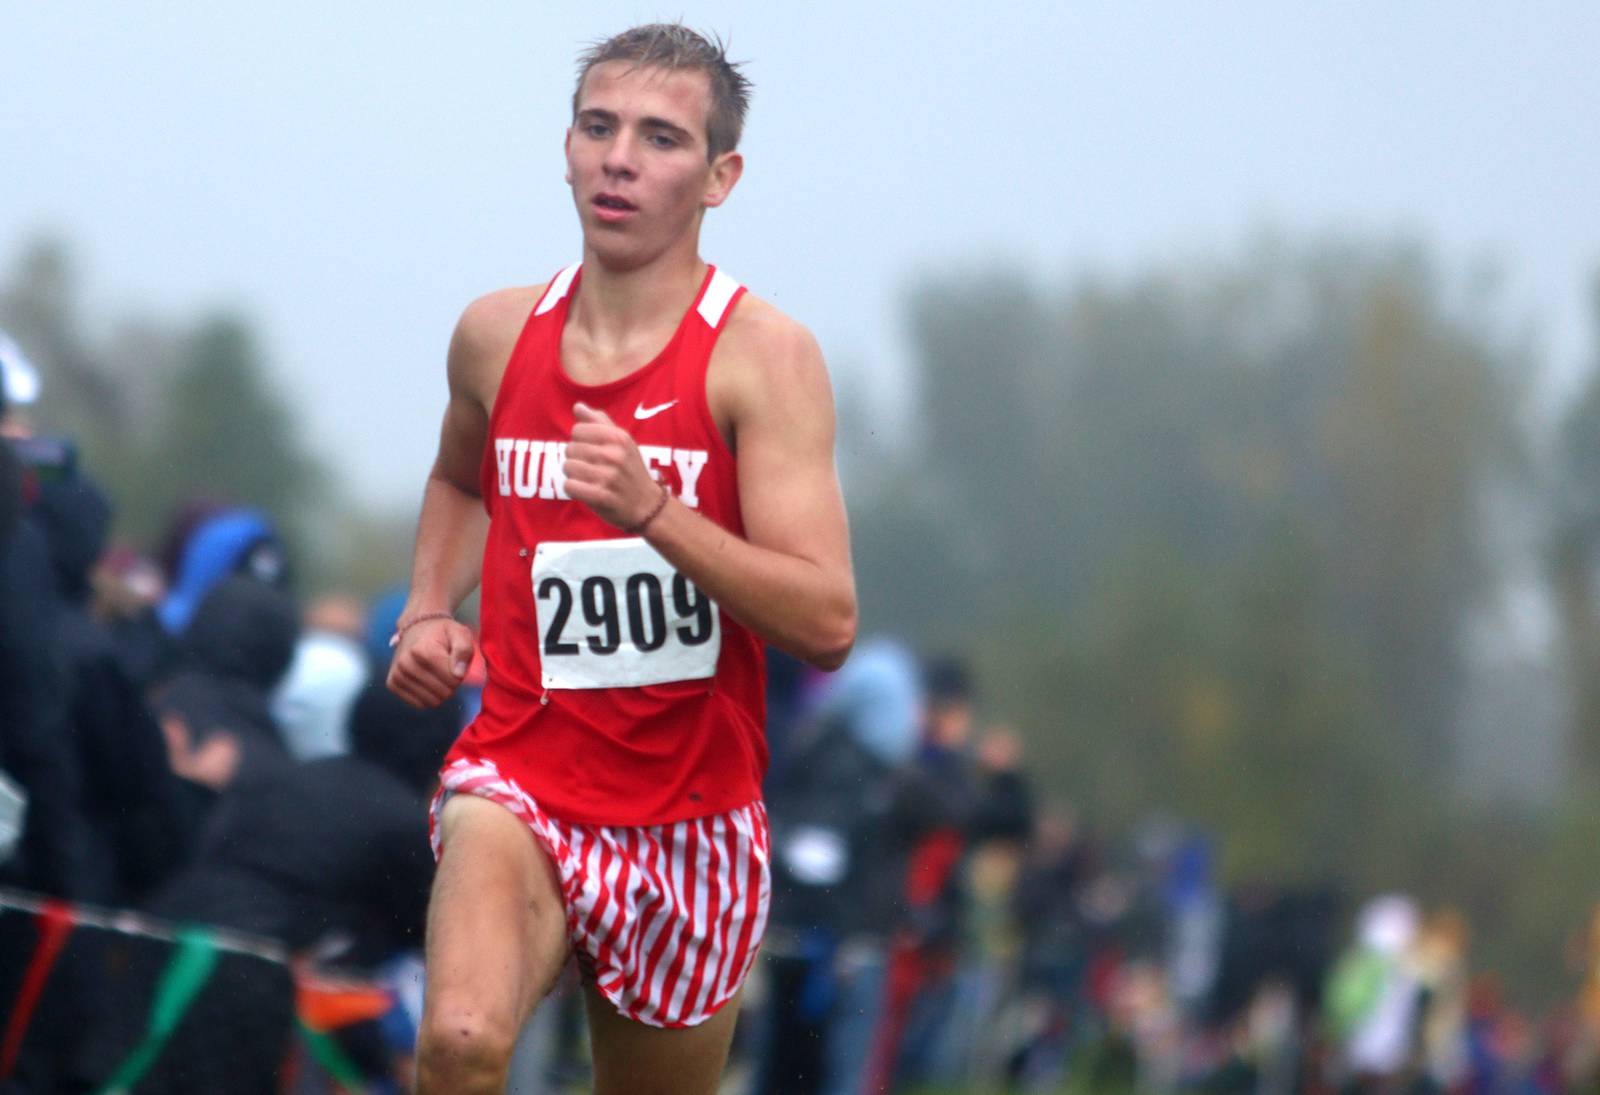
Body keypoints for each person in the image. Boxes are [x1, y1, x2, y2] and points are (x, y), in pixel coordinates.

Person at [385, 23, 857, 1094]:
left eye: (660, 138)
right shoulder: (496, 336)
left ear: (720, 176)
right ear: (565, 147)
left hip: (692, 819)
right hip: (519, 777)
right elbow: (462, 479)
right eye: (599, 128)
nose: (620, 159)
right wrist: (425, 608)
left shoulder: (762, 360)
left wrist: (657, 513)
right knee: (458, 1042)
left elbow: (826, 622)